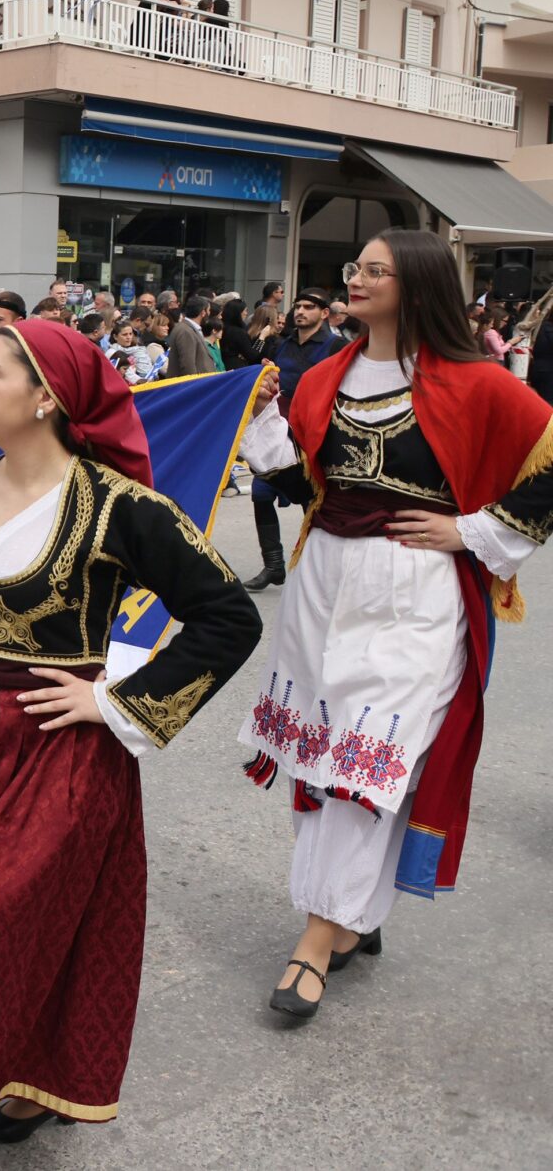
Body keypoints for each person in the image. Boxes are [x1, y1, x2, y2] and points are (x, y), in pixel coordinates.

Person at [0, 319, 260, 1168]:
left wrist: (117, 701)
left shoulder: (121, 506)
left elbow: (229, 614)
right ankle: (9, 1078)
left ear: (46, 396)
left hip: (58, 751)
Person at [234, 229, 553, 1022]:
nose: (358, 279)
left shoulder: (474, 380)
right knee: (325, 749)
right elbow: (291, 479)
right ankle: (353, 912)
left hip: (414, 591)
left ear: (416, 284)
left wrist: (474, 531)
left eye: (377, 269)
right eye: (356, 268)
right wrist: (266, 419)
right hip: (324, 581)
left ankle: (315, 935)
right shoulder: (326, 374)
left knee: (367, 756)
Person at [239, 288, 343, 590]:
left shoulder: (337, 347)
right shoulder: (279, 345)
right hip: (277, 432)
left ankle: (316, 567)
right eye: (297, 306)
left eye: (309, 307)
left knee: (311, 501)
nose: (300, 311)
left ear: (324, 313)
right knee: (261, 491)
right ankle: (273, 565)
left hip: (314, 437)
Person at [168, 294, 217, 377]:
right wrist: (194, 386)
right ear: (203, 312)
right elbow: (187, 365)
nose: (209, 313)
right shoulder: (185, 331)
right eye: (208, 310)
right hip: (191, 385)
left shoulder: (189, 329)